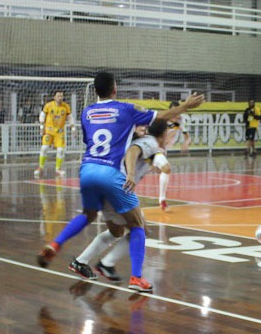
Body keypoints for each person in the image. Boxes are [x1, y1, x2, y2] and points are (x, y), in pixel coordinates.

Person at [38, 72, 202, 293]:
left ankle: (56, 244)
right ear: (115, 89)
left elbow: (89, 140)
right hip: (112, 173)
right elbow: (161, 117)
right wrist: (186, 106)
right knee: (138, 227)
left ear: (96, 91)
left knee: (90, 216)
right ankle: (136, 277)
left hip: (87, 169)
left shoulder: (87, 112)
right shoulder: (126, 110)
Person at [68, 120, 170, 282]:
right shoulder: (150, 145)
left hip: (106, 188)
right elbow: (164, 168)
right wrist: (157, 161)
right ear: (164, 134)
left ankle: (81, 262)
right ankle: (106, 264)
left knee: (117, 231)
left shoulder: (139, 142)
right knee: (139, 230)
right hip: (118, 191)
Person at [36, 90, 73, 177]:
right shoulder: (48, 105)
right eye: (58, 96)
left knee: (60, 150)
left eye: (61, 96)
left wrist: (73, 127)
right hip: (49, 131)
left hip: (59, 132)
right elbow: (42, 115)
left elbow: (70, 117)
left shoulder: (66, 107)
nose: (60, 98)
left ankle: (58, 169)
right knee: (44, 148)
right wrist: (41, 126)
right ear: (54, 97)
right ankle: (40, 167)